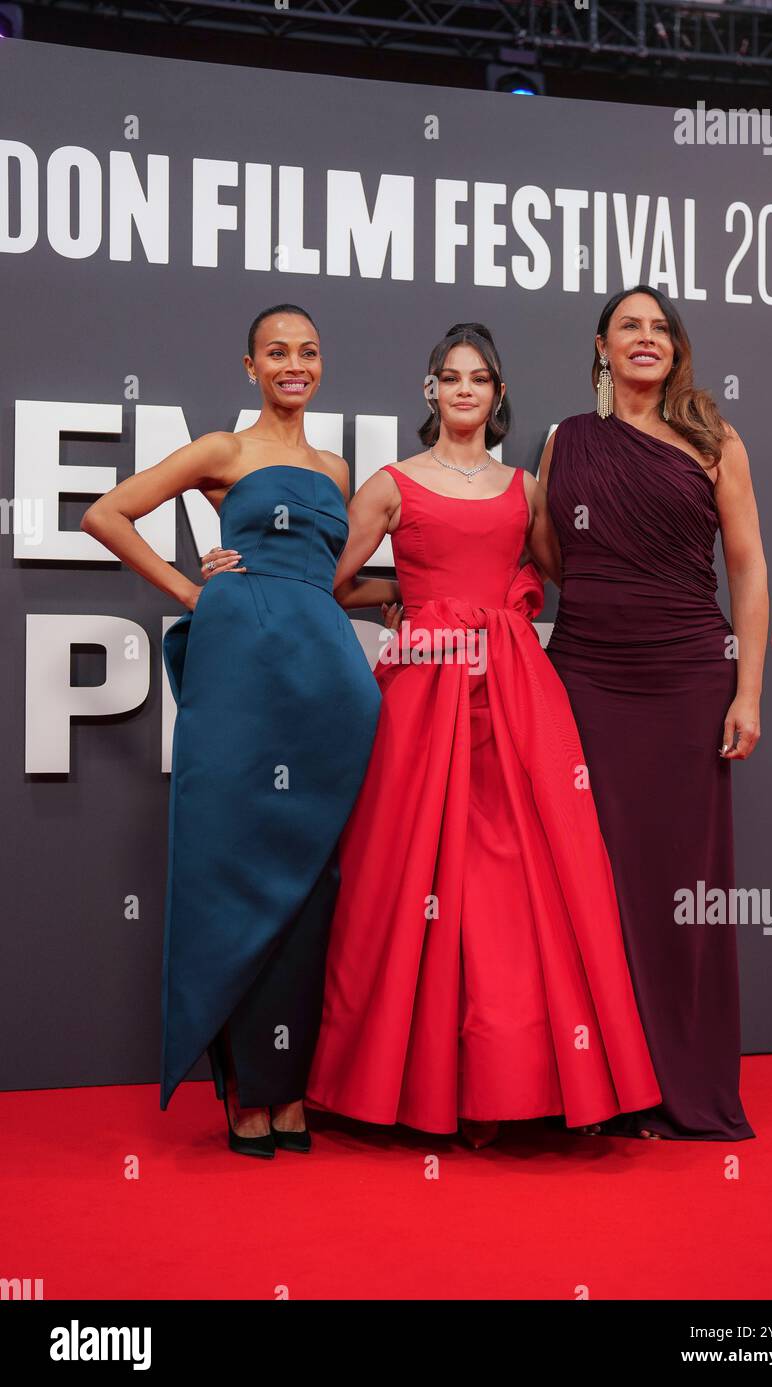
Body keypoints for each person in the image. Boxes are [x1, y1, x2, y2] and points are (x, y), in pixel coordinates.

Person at [295, 323, 661, 1148]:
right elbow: (329, 580)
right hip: (424, 695)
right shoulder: (392, 484)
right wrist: (415, 601)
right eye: (450, 377)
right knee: (415, 870)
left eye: (479, 379)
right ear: (431, 391)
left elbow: (559, 572)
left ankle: (512, 1082)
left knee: (514, 881)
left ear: (498, 396)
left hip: (515, 695)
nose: (464, 390)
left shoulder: (524, 487)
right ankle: (417, 1082)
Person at [81, 303, 381, 1158]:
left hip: (327, 682)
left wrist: (402, 598)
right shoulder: (224, 450)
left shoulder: (333, 463)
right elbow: (105, 514)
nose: (295, 364)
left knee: (311, 879)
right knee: (238, 868)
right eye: (277, 352)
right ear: (249, 365)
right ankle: (247, 1095)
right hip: (243, 672)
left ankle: (287, 1094)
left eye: (309, 352)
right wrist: (190, 592)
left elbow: (322, 580)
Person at [541, 285, 768, 1140]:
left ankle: (683, 1083)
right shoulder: (567, 441)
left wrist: (747, 689)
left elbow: (747, 570)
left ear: (677, 347)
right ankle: (603, 1084)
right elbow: (548, 556)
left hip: (687, 681)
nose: (646, 338)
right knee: (591, 881)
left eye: (660, 328)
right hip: (587, 680)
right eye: (629, 326)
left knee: (684, 888)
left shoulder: (715, 441)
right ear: (601, 346)